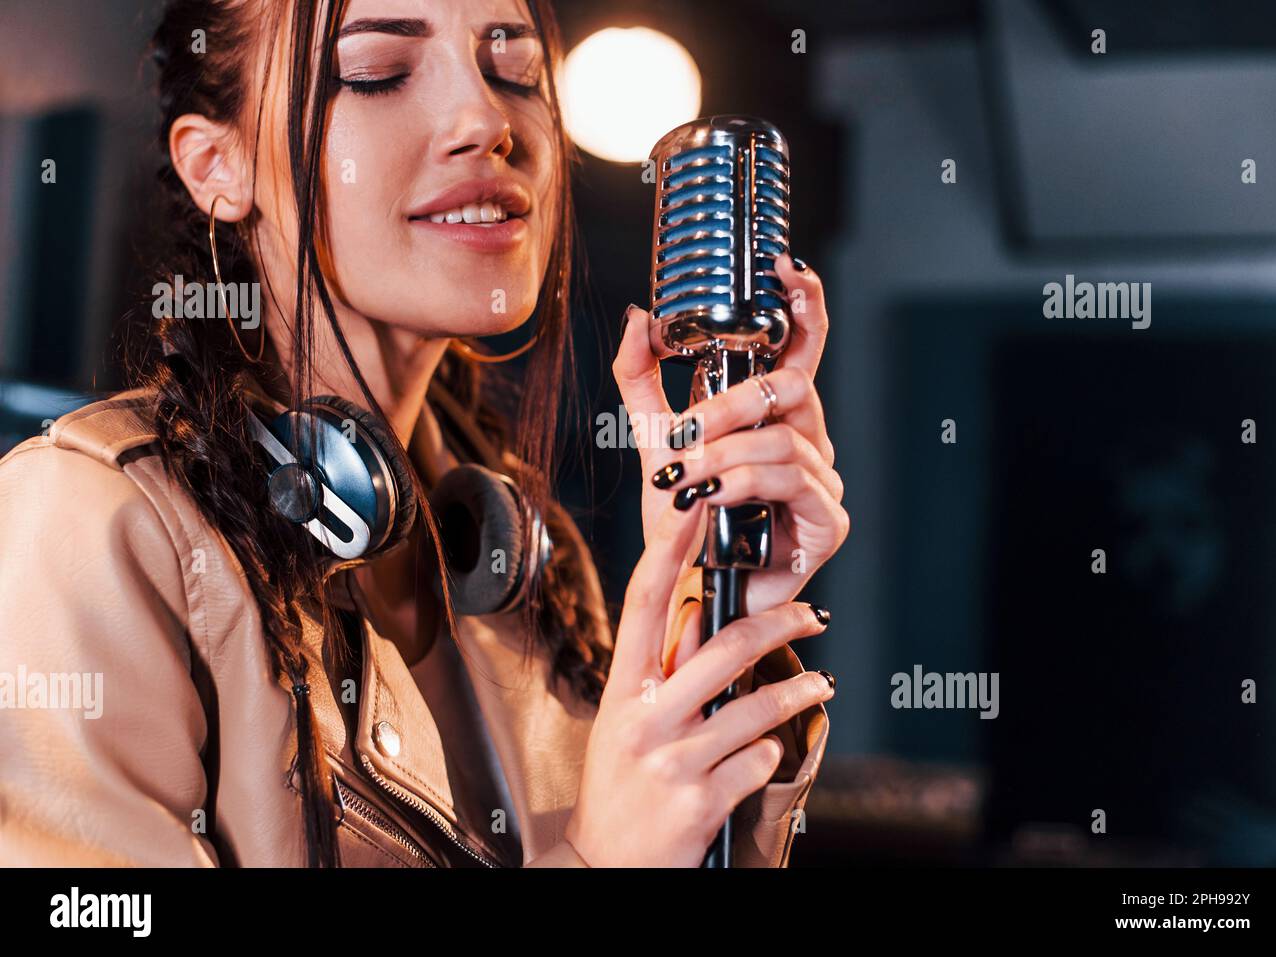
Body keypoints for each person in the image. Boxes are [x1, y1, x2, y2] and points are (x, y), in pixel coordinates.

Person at [0, 0, 848, 867]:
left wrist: (725, 602)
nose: (486, 120)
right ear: (219, 165)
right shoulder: (83, 524)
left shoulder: (535, 570)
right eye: (377, 74)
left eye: (514, 70)